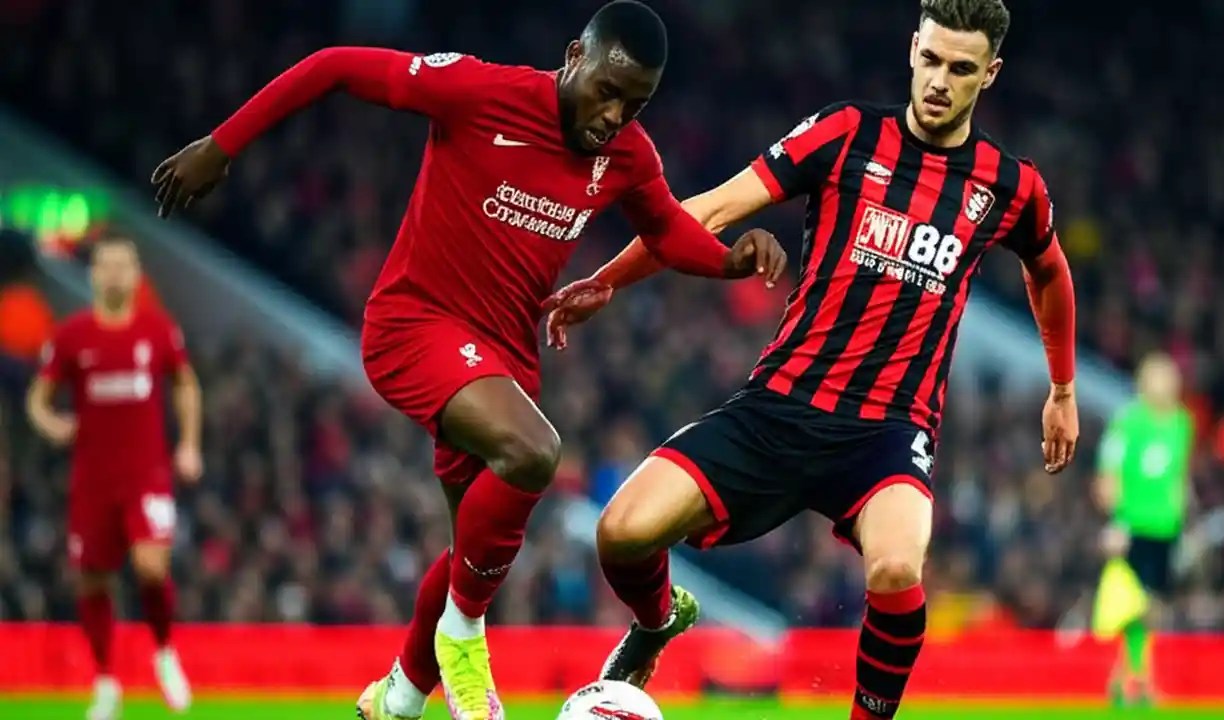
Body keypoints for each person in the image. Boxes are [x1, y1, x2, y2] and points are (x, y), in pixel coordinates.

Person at [150, 2, 786, 719]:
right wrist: (223, 144)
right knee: (534, 454)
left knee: (469, 555)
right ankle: (463, 636)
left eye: (634, 103)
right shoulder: (481, 92)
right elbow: (333, 67)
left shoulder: (627, 155)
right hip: (416, 326)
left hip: (504, 356)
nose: (614, 115)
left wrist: (732, 258)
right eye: (607, 91)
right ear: (574, 54)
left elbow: (667, 228)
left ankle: (399, 697)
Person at [542, 1, 1079, 717]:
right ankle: (656, 621)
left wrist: (1064, 387)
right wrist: (605, 280)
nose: (940, 81)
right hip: (781, 406)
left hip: (887, 433)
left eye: (961, 68)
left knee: (895, 566)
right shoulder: (846, 133)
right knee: (620, 532)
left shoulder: (1009, 186)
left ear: (991, 73)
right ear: (912, 48)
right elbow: (708, 210)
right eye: (930, 59)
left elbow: (1049, 272)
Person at [27, 235, 202, 720]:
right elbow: (38, 399)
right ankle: (106, 682)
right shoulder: (72, 336)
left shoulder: (158, 330)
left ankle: (165, 652)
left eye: (124, 265)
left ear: (136, 272)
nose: (115, 274)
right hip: (93, 480)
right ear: (93, 273)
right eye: (106, 266)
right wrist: (52, 424)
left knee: (151, 566)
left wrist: (188, 444)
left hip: (146, 474)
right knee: (91, 581)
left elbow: (186, 384)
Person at [1092, 352, 1194, 707]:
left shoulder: (1183, 423)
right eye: (1159, 377)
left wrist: (1183, 522)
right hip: (1132, 527)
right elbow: (1107, 477)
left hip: (1166, 529)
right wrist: (1116, 522)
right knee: (1133, 608)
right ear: (1143, 382)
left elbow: (1178, 478)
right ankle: (1139, 681)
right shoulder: (1128, 423)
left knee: (1149, 610)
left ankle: (1126, 680)